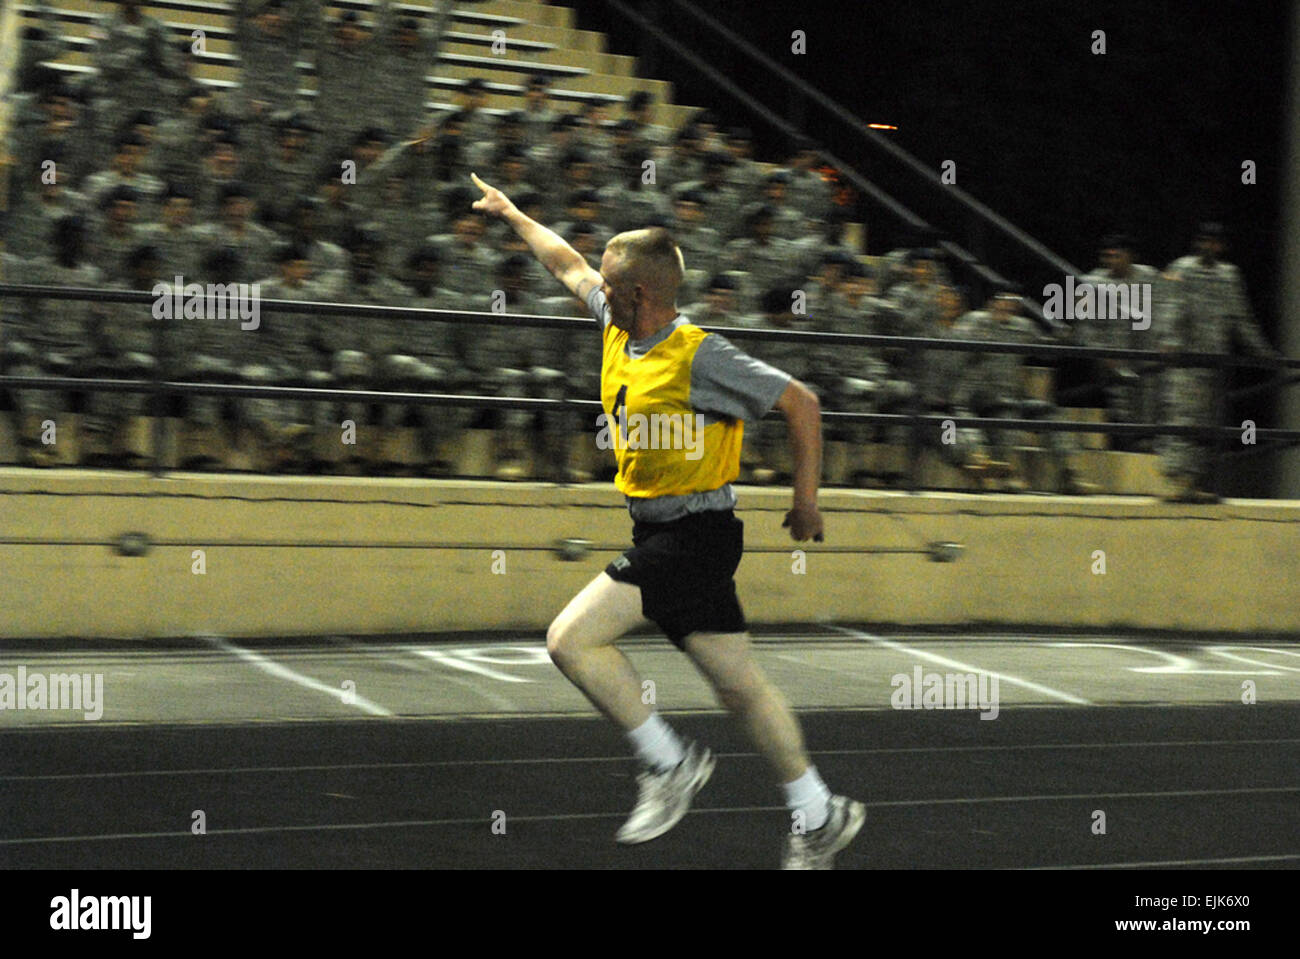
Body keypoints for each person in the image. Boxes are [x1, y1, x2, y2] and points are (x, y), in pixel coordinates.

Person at [470, 172, 866, 869]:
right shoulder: (616, 324)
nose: (598, 288)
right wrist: (511, 212)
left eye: (612, 284)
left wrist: (807, 500)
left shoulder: (700, 355)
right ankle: (818, 810)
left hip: (698, 535)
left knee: (569, 640)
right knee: (740, 686)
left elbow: (801, 403)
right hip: (660, 531)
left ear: (641, 294)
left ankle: (669, 762)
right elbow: (565, 262)